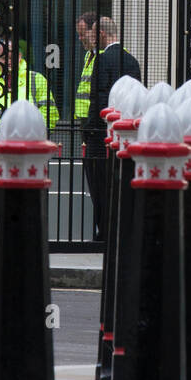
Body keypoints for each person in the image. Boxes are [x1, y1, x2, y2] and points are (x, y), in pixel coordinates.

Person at [81, 15, 141, 240]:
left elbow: (97, 98)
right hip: (127, 136)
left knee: (100, 185)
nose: (91, 39)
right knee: (123, 183)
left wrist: (90, 129)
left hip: (101, 135)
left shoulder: (103, 60)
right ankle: (123, 228)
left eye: (94, 34)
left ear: (102, 34)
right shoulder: (132, 61)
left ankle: (104, 230)